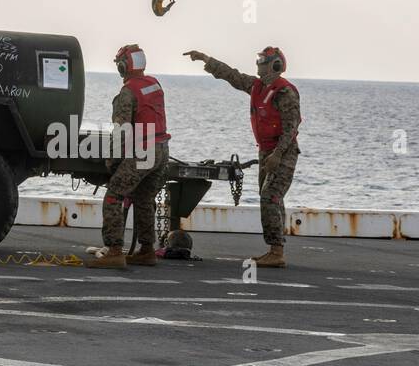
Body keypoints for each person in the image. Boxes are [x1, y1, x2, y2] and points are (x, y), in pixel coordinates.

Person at [184, 46, 301, 268]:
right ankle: (275, 249)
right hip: (267, 151)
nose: (258, 64)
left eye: (263, 61)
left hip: (283, 151)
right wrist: (206, 60)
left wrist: (277, 154)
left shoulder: (284, 92)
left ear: (275, 65)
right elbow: (232, 75)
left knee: (270, 196)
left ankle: (276, 252)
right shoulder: (257, 86)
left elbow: (291, 127)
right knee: (271, 198)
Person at [86, 44, 171, 269]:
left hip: (143, 152)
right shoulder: (153, 83)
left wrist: (112, 161)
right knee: (144, 199)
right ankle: (146, 250)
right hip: (162, 149)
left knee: (114, 195)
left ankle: (114, 251)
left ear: (124, 66)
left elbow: (121, 130)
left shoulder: (128, 91)